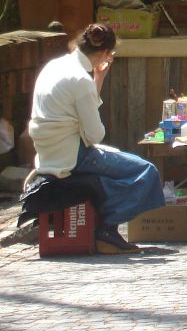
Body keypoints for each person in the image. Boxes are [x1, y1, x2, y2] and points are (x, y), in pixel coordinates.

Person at [27, 23, 164, 254]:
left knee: (119, 160)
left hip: (49, 151)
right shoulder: (80, 79)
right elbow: (94, 135)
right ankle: (107, 228)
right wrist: (93, 84)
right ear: (104, 54)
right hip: (73, 154)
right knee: (146, 171)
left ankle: (106, 223)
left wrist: (97, 79)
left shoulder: (54, 66)